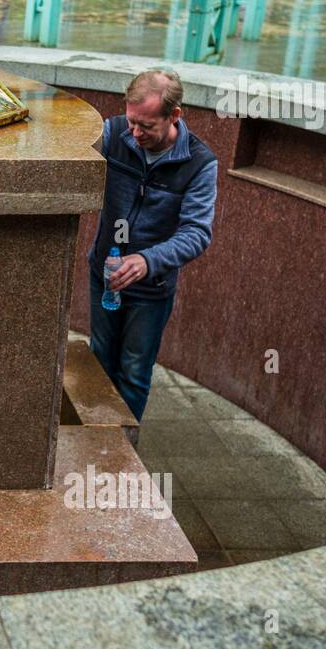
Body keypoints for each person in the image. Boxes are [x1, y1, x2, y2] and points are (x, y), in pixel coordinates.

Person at [88, 69, 218, 420]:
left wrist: (146, 261)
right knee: (98, 359)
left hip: (151, 289)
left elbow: (197, 232)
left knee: (133, 372)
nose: (135, 133)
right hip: (104, 272)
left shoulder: (200, 164)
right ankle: (93, 439)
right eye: (131, 121)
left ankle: (122, 455)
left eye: (146, 126)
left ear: (174, 115)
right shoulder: (114, 133)